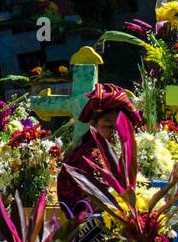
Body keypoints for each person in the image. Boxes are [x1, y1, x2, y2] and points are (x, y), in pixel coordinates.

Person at [56, 84, 143, 215]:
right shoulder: (83, 158)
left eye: (121, 127)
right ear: (93, 126)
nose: (115, 133)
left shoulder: (135, 154)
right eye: (108, 127)